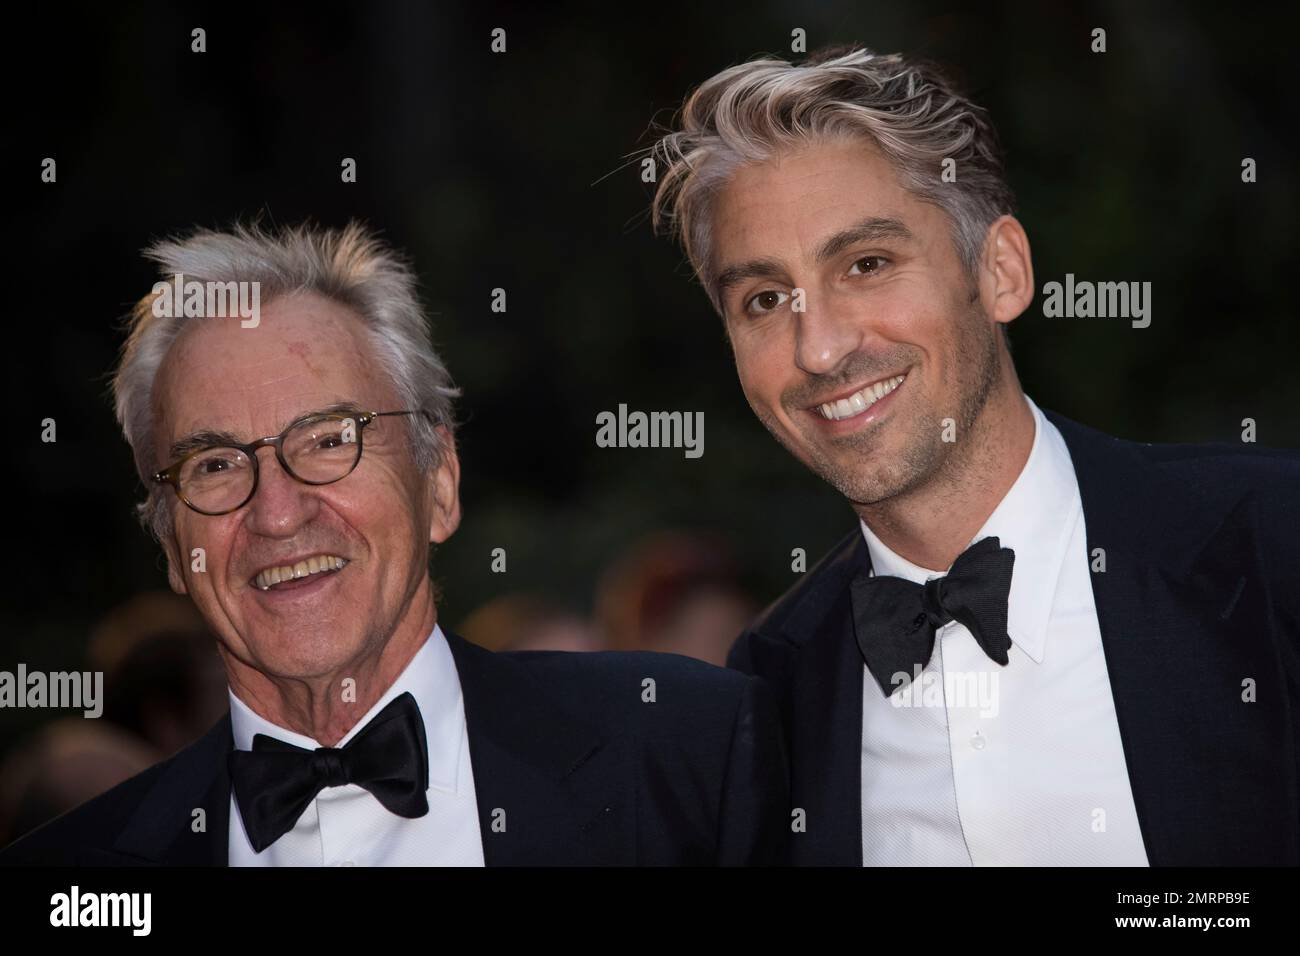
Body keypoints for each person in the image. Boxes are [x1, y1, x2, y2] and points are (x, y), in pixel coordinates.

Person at [651, 45, 1299, 865]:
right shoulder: (768, 697)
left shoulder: (1270, 546)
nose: (818, 349)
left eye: (868, 264)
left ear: (1001, 272)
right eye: (766, 300)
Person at [0, 221, 788, 866]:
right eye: (214, 464)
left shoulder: (692, 757)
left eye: (328, 439)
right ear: (172, 545)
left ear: (438, 482)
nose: (277, 513)